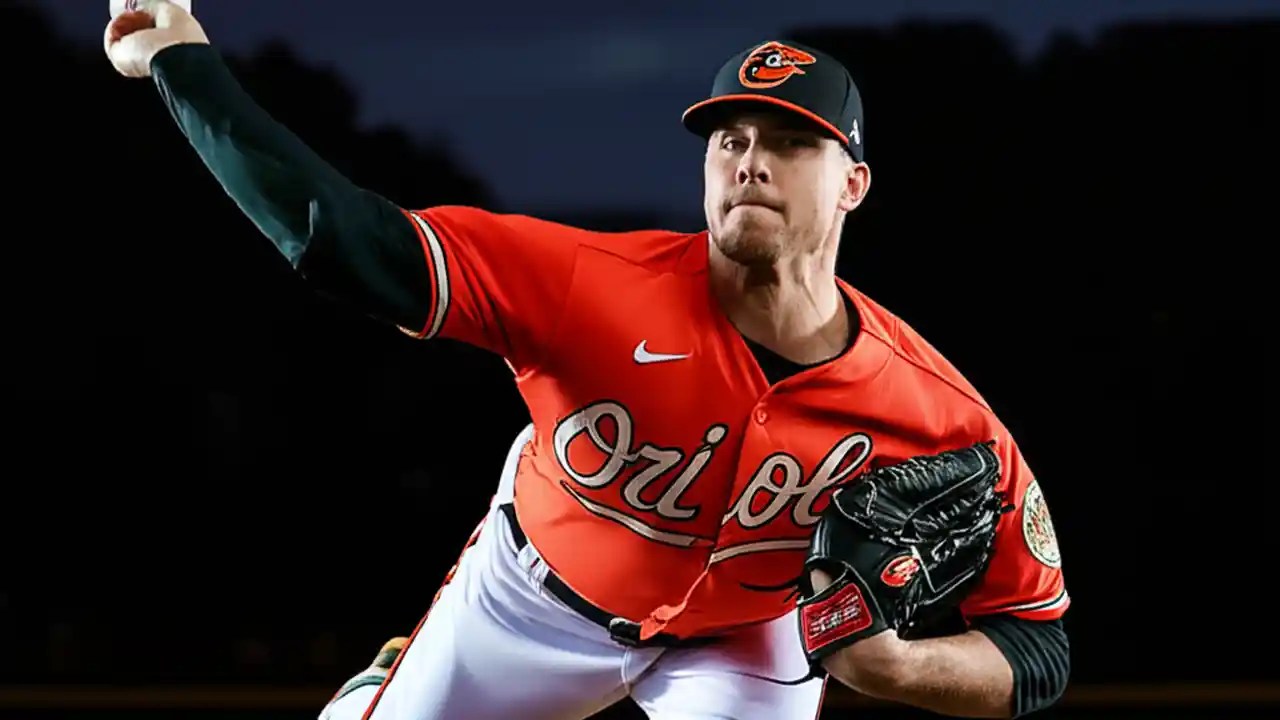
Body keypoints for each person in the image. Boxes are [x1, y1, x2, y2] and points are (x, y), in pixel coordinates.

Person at [105, 5, 1072, 719]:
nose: (750, 160)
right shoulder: (593, 285)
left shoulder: (935, 412)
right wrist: (181, 61)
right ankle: (389, 683)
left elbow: (1039, 648)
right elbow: (344, 241)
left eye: (791, 142)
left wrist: (896, 666)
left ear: (853, 183)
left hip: (747, 640)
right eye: (731, 139)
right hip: (531, 601)